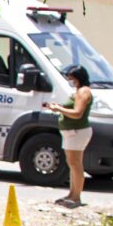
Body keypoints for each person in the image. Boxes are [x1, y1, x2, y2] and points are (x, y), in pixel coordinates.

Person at [42, 58, 94, 208]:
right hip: (72, 131)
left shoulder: (83, 92)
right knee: (72, 163)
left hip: (77, 131)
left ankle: (76, 197)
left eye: (71, 77)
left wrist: (58, 109)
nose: (69, 80)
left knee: (75, 163)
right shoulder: (79, 91)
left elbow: (77, 113)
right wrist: (58, 107)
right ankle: (72, 194)